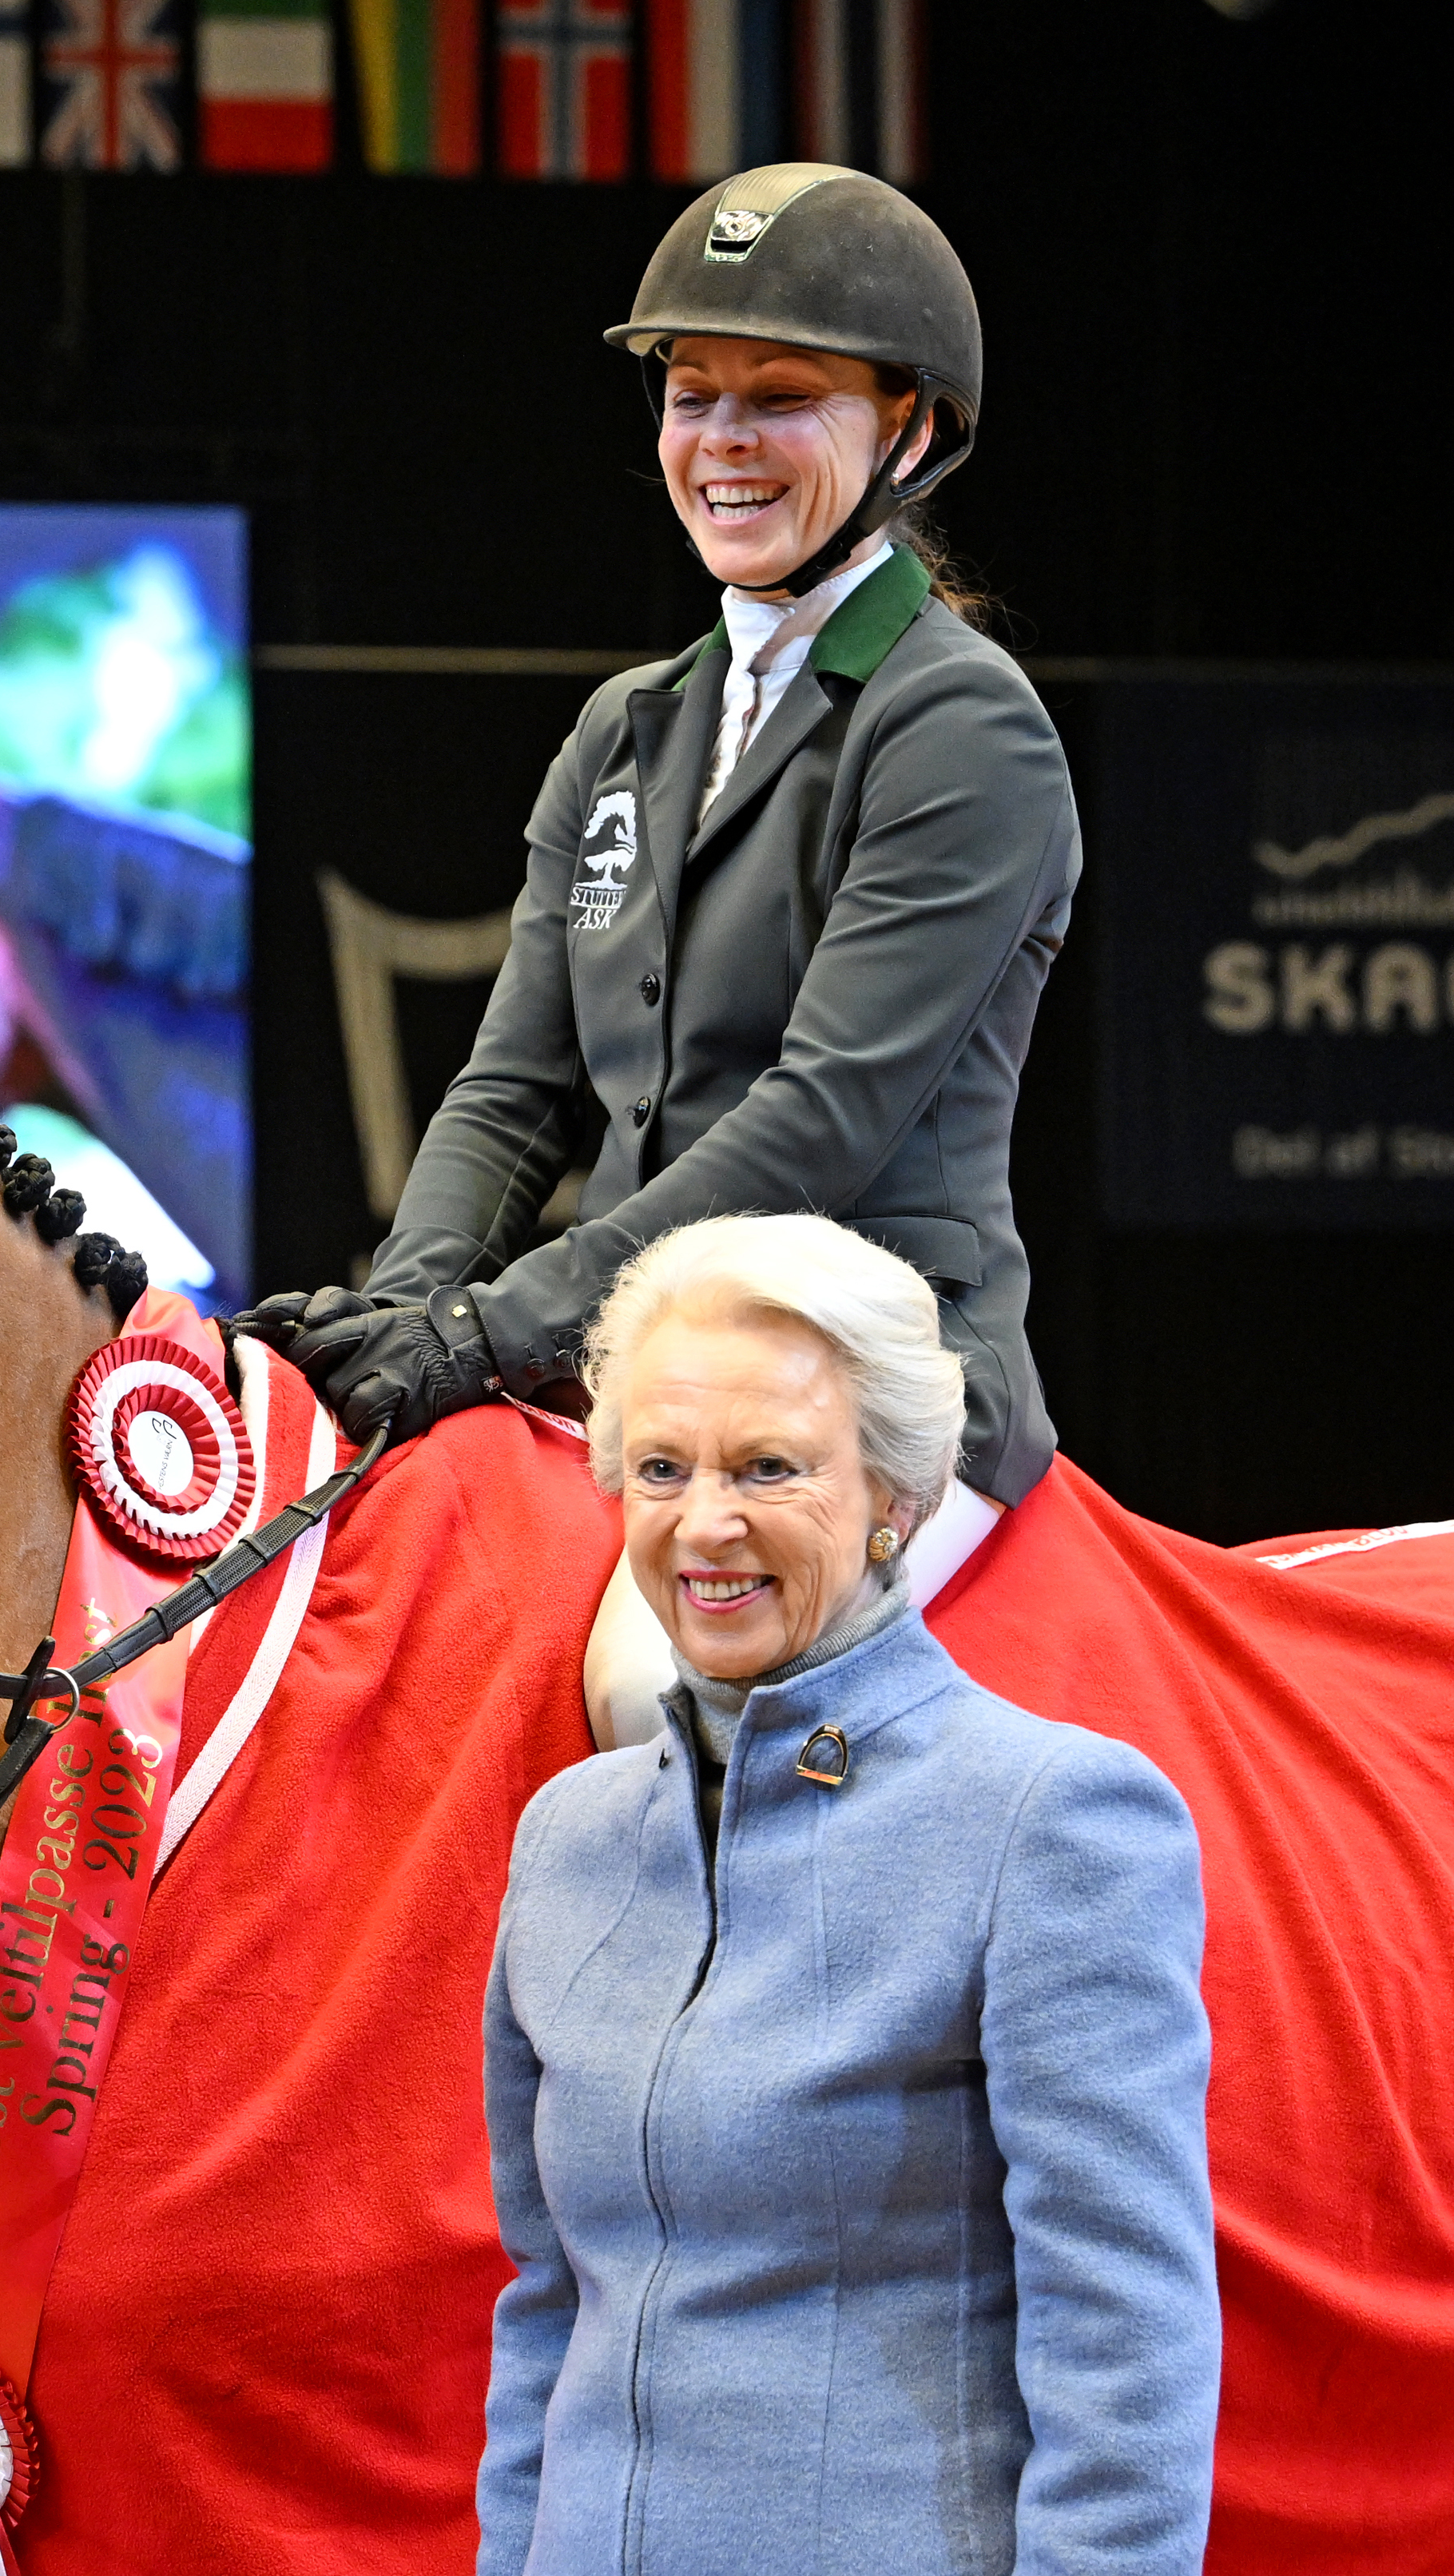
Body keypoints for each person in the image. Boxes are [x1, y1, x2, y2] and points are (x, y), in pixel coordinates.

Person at [461, 1215, 1220, 2576]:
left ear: (894, 1497)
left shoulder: (1053, 1821)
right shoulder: (565, 1843)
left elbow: (1125, 2335)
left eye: (768, 1470)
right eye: (659, 1467)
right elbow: (548, 2302)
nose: (703, 1523)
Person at [256, 166, 1074, 1556]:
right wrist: (403, 1319)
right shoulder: (626, 730)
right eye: (694, 396)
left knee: (644, 1681)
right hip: (654, 1381)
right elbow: (515, 1092)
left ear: (911, 427)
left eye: (780, 398)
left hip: (872, 1391)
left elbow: (819, 1117)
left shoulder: (958, 724)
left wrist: (487, 1332)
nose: (722, 441)